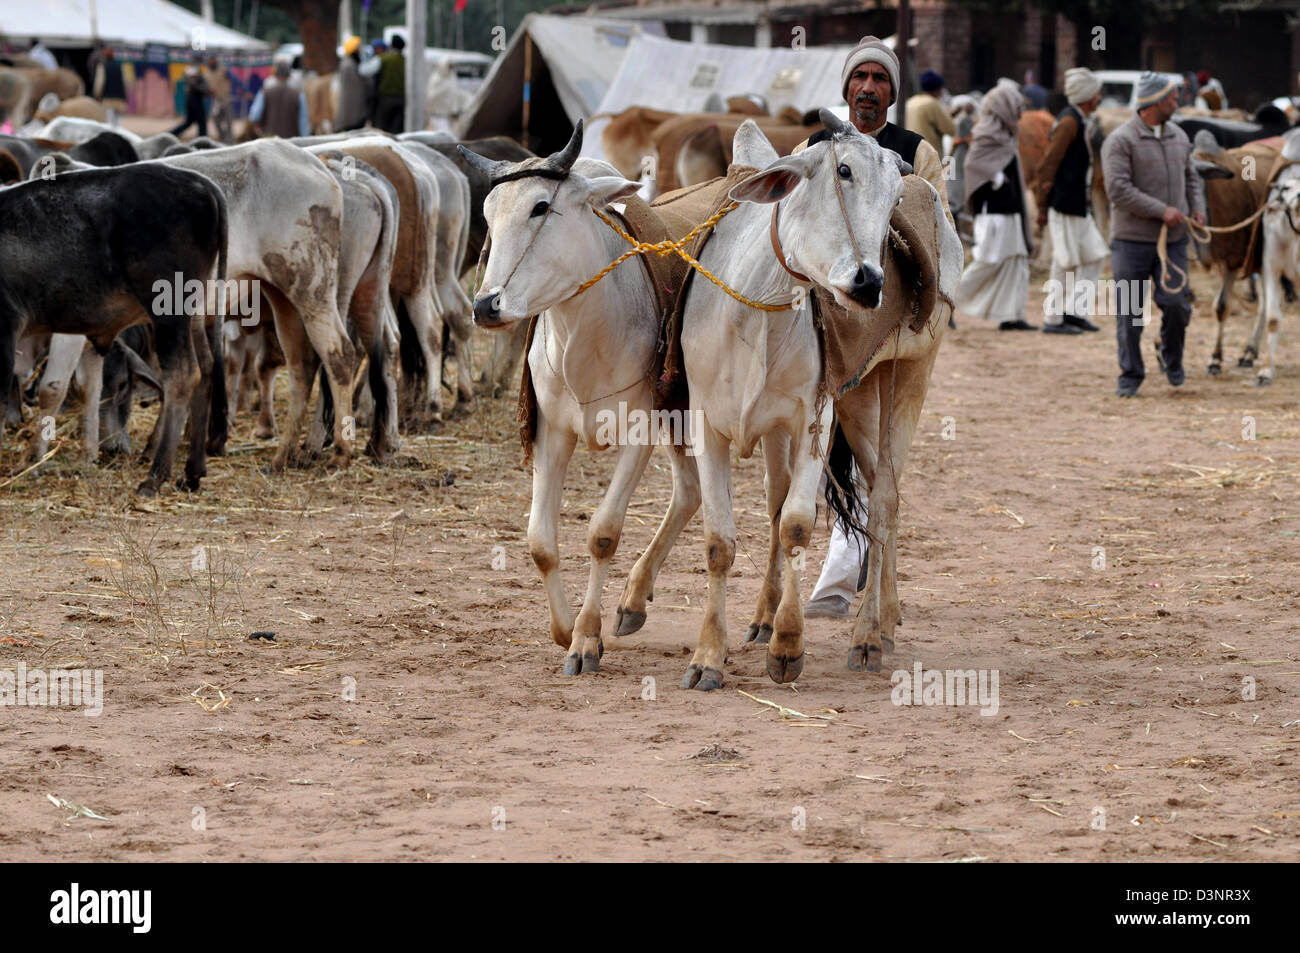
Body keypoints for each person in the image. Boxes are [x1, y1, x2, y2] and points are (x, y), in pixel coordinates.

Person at [803, 37, 952, 619]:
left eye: (880, 79)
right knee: (814, 459)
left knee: (874, 463)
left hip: (892, 331)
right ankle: (833, 574)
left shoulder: (917, 155)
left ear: (893, 92)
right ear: (846, 89)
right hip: (822, 329)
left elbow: (934, 226)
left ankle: (842, 586)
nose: (868, 87)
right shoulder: (814, 148)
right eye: (859, 77)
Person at [1100, 72, 1206, 397]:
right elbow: (1118, 190)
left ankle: (1171, 359)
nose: (1177, 103)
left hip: (1173, 241)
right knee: (1131, 313)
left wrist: (1197, 208)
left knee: (1177, 304)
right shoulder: (1120, 140)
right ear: (1155, 103)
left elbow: (1192, 178)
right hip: (1131, 241)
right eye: (1172, 98)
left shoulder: (1178, 136)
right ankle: (1130, 375)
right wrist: (1162, 210)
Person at [1032, 66, 1108, 336]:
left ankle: (1074, 312)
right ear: (1088, 95)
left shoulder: (1081, 119)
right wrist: (1042, 206)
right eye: (1097, 93)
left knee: (1095, 255)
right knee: (1064, 263)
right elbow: (1047, 167)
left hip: (1079, 206)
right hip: (1064, 205)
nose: (1100, 98)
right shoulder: (1068, 122)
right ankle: (1053, 320)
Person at [955, 81, 1036, 330]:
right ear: (1004, 107)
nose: (1020, 113)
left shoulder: (1007, 135)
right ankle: (946, 298)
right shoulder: (987, 133)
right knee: (989, 261)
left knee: (1017, 261)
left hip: (1011, 209)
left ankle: (1012, 315)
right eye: (1016, 107)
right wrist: (995, 176)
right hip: (994, 213)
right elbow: (973, 164)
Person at [249, 55, 309, 139]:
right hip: (292, 142)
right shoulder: (299, 95)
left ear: (275, 74)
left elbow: (254, 116)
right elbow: (303, 124)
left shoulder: (265, 92)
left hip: (269, 140)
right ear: (289, 75)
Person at [905, 69, 956, 156]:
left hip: (910, 153)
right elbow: (950, 129)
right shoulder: (932, 103)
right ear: (938, 88)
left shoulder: (910, 102)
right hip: (928, 156)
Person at [170, 52, 210, 139]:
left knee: (189, 122)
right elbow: (194, 85)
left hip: (194, 98)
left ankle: (170, 134)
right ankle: (203, 140)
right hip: (194, 98)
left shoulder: (193, 69)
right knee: (201, 121)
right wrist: (205, 90)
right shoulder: (191, 69)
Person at [374, 34, 407, 134]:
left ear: (391, 45)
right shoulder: (406, 60)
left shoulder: (384, 59)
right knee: (397, 129)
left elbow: (365, 70)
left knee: (384, 129)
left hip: (386, 99)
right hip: (401, 99)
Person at [335, 35, 368, 131]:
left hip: (353, 108)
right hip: (352, 109)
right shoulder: (348, 65)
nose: (360, 50)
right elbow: (357, 87)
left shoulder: (349, 63)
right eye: (358, 48)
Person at [92, 47, 130, 122]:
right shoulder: (120, 66)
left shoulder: (102, 66)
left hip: (107, 100)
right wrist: (126, 96)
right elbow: (126, 83)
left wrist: (97, 95)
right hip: (119, 100)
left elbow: (100, 82)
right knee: (118, 124)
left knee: (109, 122)